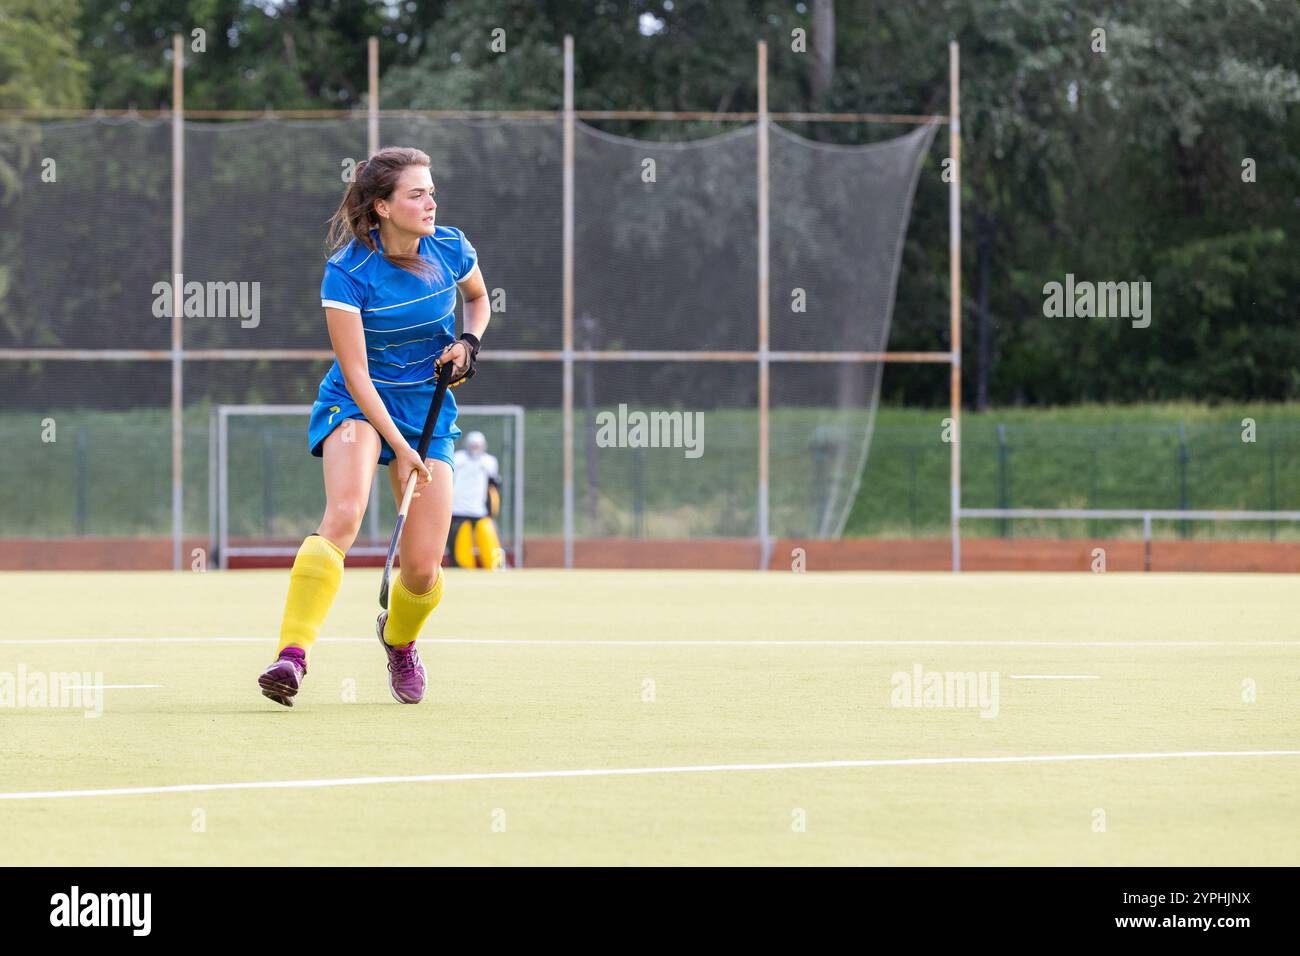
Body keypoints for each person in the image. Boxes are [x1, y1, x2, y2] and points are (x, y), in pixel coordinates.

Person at [257, 146, 489, 707]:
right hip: (358, 404)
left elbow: (478, 301)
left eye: (431, 190)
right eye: (416, 193)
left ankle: (399, 639)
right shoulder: (349, 272)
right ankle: (291, 656)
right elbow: (357, 374)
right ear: (383, 206)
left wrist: (468, 343)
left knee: (424, 568)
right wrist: (400, 448)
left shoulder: (451, 248)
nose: (430, 201)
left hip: (426, 408)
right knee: (345, 512)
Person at [448, 431, 504, 569]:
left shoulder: (489, 462)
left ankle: (497, 567)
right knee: (461, 552)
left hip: (480, 511)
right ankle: (462, 569)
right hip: (458, 511)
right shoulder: (457, 458)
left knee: (490, 542)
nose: (474, 448)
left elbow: (493, 487)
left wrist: (492, 508)